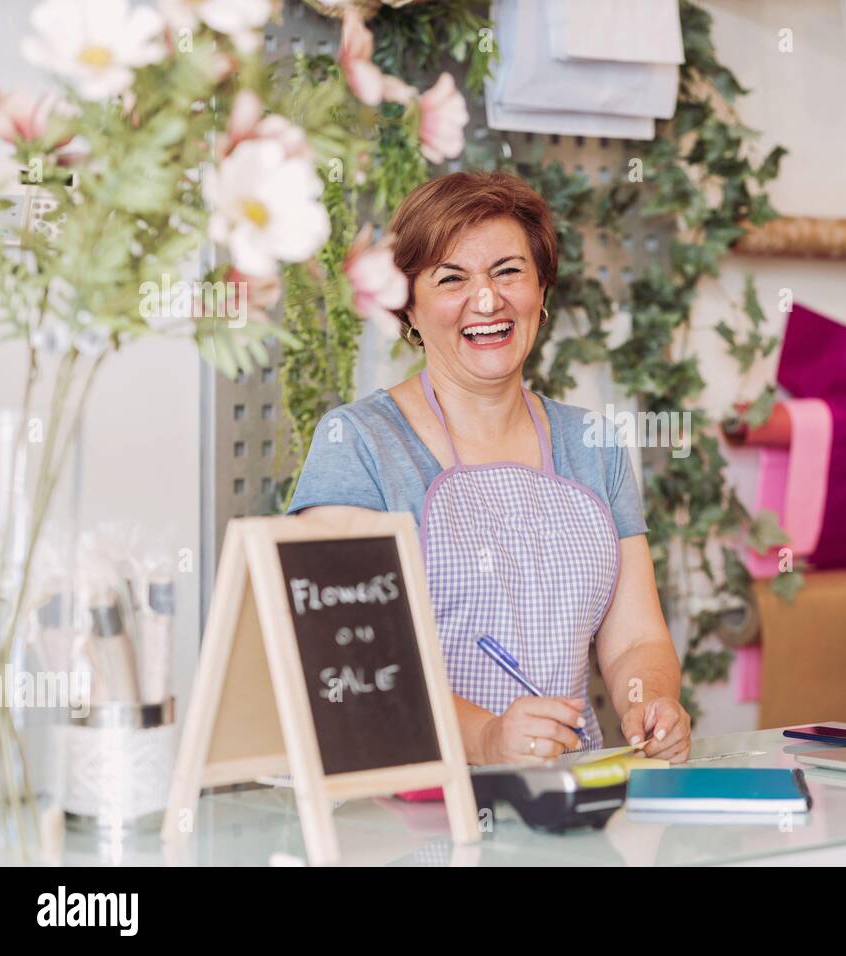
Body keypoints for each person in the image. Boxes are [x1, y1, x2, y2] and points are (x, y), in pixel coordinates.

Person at [288, 170, 691, 765]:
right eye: (451, 278)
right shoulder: (360, 443)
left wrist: (648, 701)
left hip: (565, 798)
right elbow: (352, 663)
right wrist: (486, 738)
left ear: (542, 291)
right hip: (409, 811)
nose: (487, 299)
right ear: (410, 309)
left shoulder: (593, 444)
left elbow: (637, 637)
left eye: (508, 271)